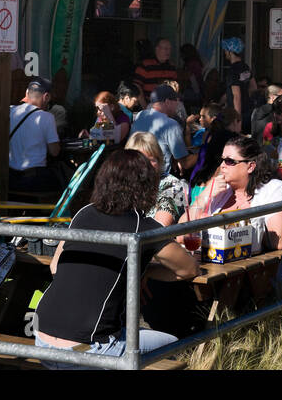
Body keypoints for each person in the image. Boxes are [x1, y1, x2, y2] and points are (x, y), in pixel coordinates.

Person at [34, 149, 199, 364]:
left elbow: (55, 267)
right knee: (175, 343)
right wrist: (142, 272)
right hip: (89, 350)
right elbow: (190, 269)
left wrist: (134, 271)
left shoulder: (84, 213)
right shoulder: (144, 228)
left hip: (41, 340)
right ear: (146, 188)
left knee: (127, 331)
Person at [183, 138, 282, 298]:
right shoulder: (220, 191)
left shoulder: (274, 189)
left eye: (230, 161)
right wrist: (203, 196)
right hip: (217, 275)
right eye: (222, 160)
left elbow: (278, 242)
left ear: (250, 166)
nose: (222, 165)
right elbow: (181, 233)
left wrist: (234, 233)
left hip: (267, 283)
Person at [8, 77, 61, 194]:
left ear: (27, 93)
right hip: (35, 180)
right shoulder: (47, 117)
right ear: (46, 97)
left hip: (10, 178)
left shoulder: (10, 111)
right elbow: (54, 151)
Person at [125, 132, 189, 226]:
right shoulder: (125, 183)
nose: (145, 166)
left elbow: (160, 228)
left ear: (159, 161)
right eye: (140, 160)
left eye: (151, 160)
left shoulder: (173, 185)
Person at [130, 84, 195, 176]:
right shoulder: (171, 124)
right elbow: (186, 163)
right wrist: (205, 151)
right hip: (156, 179)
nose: (178, 104)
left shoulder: (140, 115)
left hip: (133, 172)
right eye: (176, 100)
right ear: (168, 102)